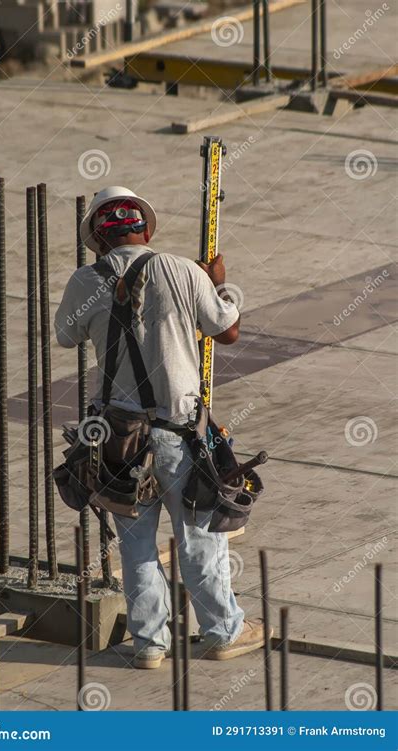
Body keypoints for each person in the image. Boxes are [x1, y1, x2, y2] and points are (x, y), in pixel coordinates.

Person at [55, 186, 271, 669]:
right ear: (146, 230)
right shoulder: (181, 268)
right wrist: (214, 283)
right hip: (180, 434)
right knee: (199, 538)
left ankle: (149, 645)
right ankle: (222, 632)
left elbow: (65, 335)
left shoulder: (83, 281)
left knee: (135, 545)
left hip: (115, 440)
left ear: (97, 241)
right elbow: (227, 330)